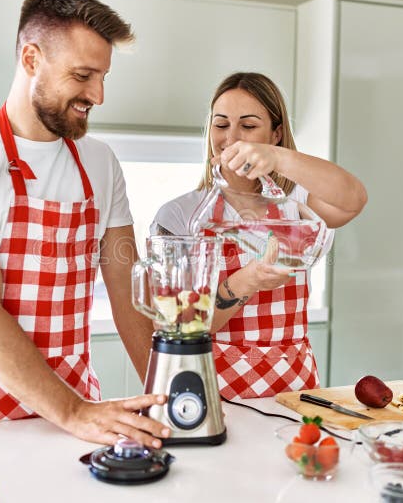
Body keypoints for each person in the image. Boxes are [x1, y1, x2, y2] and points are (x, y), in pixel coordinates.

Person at [0, 0, 169, 448]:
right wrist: (73, 412)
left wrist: (170, 402)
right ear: (31, 59)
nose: (98, 95)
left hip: (74, 403)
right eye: (83, 75)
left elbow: (126, 288)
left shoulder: (100, 163)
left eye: (103, 77)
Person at [152, 72, 367, 399]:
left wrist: (278, 159)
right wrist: (247, 281)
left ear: (276, 133)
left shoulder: (298, 204)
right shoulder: (182, 216)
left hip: (294, 393)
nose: (232, 138)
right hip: (211, 393)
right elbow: (182, 324)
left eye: (248, 126)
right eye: (221, 125)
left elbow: (353, 199)